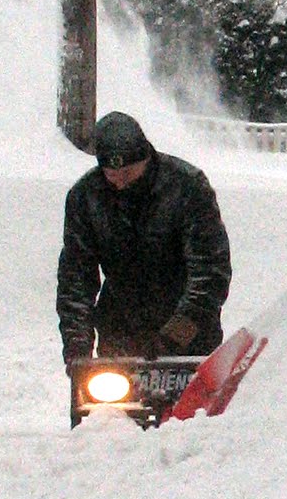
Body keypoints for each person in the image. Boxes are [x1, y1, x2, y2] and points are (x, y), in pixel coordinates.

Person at [57, 110, 232, 364]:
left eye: (128, 173)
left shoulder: (187, 188)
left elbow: (210, 274)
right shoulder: (86, 197)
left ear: (146, 157)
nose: (119, 182)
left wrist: (173, 338)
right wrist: (77, 346)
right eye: (111, 174)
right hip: (120, 337)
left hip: (191, 341)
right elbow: (76, 278)